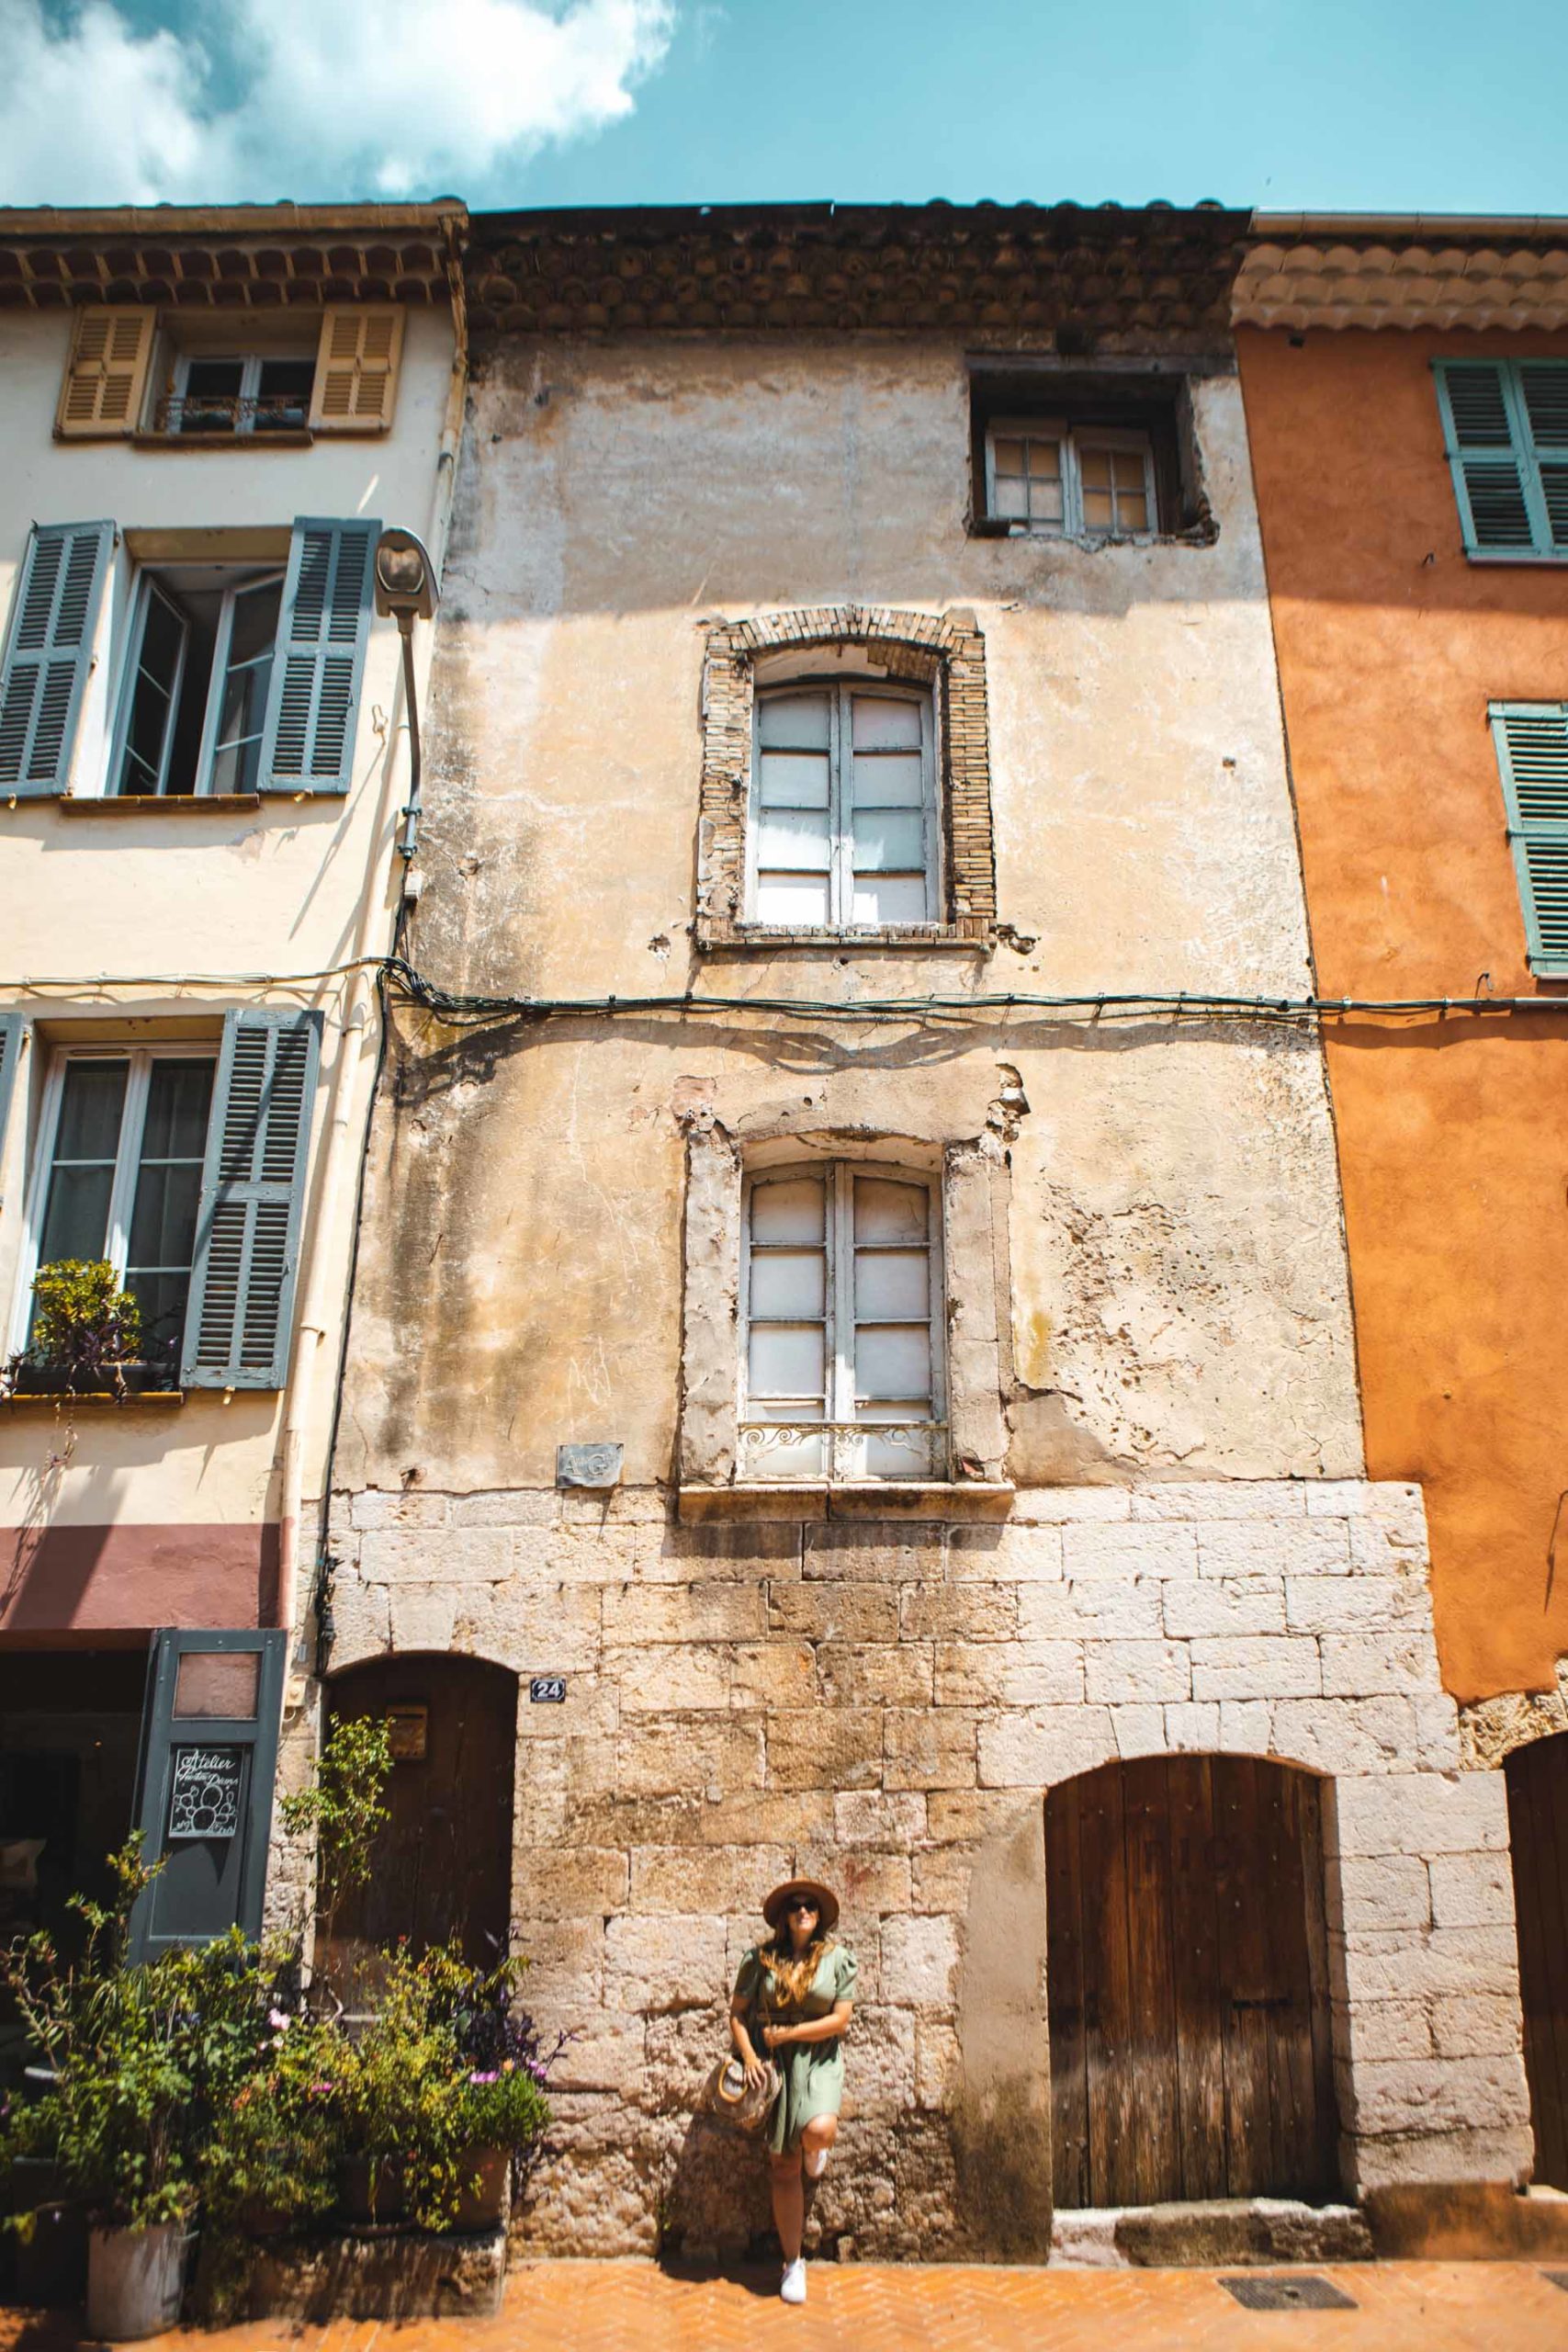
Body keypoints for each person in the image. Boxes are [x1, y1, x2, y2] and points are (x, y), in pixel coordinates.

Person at [729, 1876, 857, 2307]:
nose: (803, 1911)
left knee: (819, 2130)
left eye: (810, 1906)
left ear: (819, 1917)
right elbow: (737, 2013)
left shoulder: (837, 1959)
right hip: (775, 2065)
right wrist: (750, 2057)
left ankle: (814, 2149)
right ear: (784, 1917)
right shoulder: (760, 1961)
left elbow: (840, 2020)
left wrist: (791, 2034)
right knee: (783, 2165)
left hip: (818, 2059)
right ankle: (792, 2262)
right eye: (795, 1906)